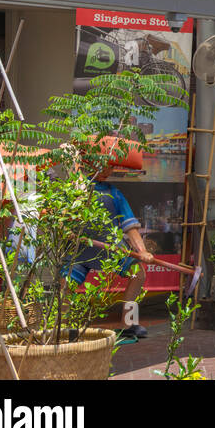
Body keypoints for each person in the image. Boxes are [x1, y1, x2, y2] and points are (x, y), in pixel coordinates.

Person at [65, 139, 156, 342]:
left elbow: (130, 228)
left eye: (111, 167)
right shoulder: (76, 187)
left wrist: (141, 250)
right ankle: (67, 326)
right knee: (65, 283)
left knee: (137, 273)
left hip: (110, 249)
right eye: (102, 166)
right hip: (79, 250)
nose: (107, 171)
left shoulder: (114, 193)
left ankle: (128, 323)